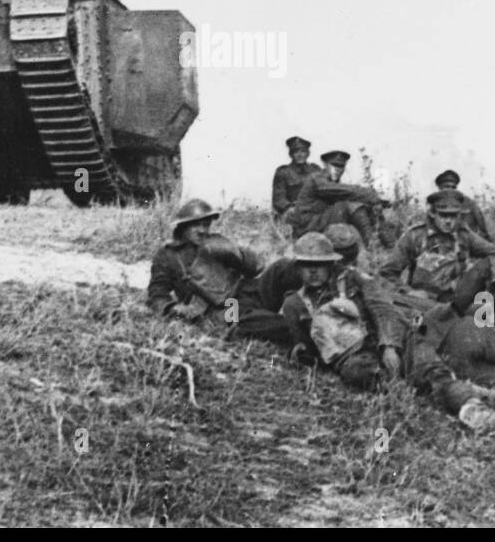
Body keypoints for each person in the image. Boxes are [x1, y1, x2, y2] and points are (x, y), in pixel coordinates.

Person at [146, 198, 291, 345]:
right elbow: (157, 294)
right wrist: (174, 308)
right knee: (280, 324)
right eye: (196, 225)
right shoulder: (168, 255)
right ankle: (290, 328)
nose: (202, 230)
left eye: (206, 225)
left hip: (249, 292)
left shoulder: (216, 241)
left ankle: (305, 307)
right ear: (183, 226)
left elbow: (254, 269)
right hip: (227, 309)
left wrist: (235, 252)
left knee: (285, 266)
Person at [280, 233, 405, 390]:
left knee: (420, 358)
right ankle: (390, 388)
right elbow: (306, 346)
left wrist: (389, 346)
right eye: (306, 264)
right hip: (352, 357)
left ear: (330, 264)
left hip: (380, 339)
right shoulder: (294, 304)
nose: (313, 271)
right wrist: (301, 352)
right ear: (297, 267)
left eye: (319, 264)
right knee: (358, 372)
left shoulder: (353, 278)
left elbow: (382, 308)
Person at [379, 190, 495, 314]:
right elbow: (387, 273)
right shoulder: (415, 236)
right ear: (432, 214)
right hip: (422, 302)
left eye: (453, 216)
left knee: (489, 315)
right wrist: (407, 292)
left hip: (456, 303)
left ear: (459, 215)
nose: (448, 221)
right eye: (443, 215)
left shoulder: (465, 236)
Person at [289, 150, 390, 246]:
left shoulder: (331, 182)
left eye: (341, 166)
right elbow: (341, 190)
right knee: (351, 205)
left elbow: (347, 192)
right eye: (334, 165)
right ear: (325, 165)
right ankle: (372, 246)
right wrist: (370, 194)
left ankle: (389, 244)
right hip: (307, 226)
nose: (338, 169)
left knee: (366, 205)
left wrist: (375, 201)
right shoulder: (317, 178)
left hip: (318, 222)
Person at [433, 169, 494, 240]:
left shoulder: (469, 203)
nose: (450, 190)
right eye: (446, 187)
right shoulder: (433, 205)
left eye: (453, 187)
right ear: (439, 188)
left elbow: (482, 228)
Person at [271, 136, 322, 221]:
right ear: (291, 154)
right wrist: (289, 207)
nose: (300, 155)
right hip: (292, 210)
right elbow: (278, 199)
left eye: (303, 151)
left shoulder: (316, 170)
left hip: (313, 210)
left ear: (308, 153)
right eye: (296, 152)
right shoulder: (283, 172)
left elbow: (323, 192)